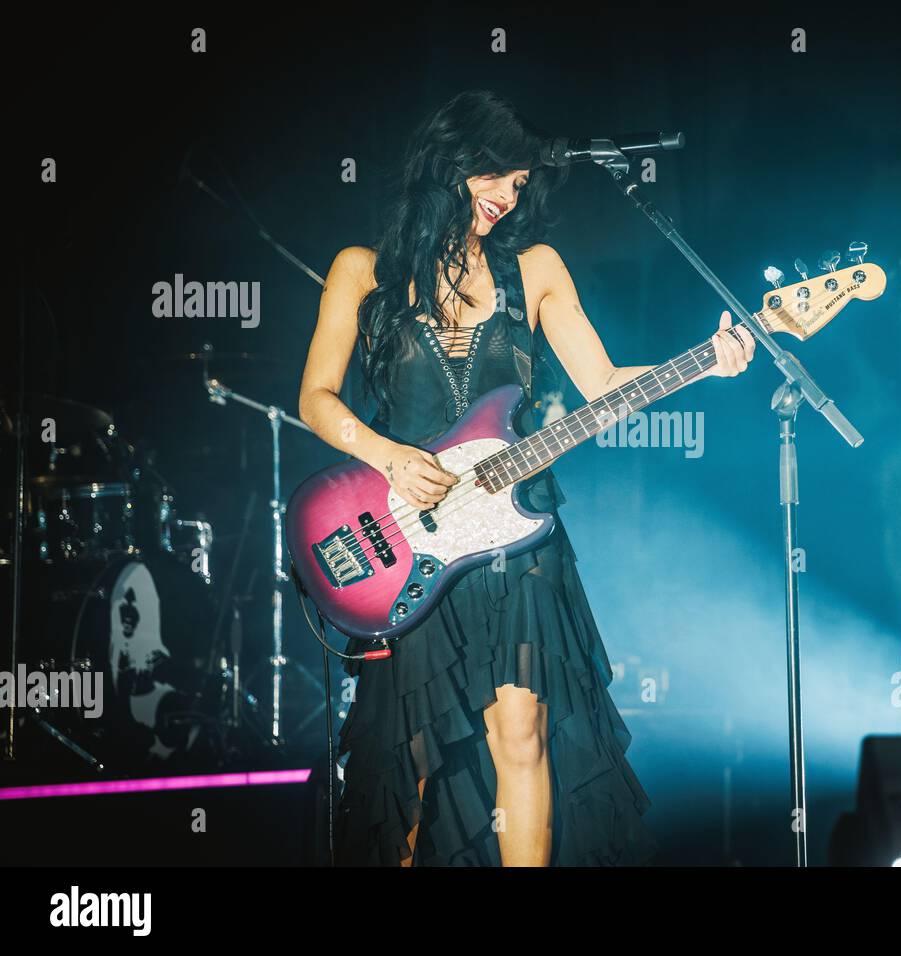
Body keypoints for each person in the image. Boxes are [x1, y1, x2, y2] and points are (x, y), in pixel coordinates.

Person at [298, 90, 754, 866]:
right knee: (406, 758)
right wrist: (389, 457)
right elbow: (315, 397)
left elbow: (604, 382)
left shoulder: (534, 269)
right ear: (449, 164)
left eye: (519, 184)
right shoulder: (361, 270)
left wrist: (710, 361)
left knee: (524, 733)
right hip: (404, 538)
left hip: (518, 543)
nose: (509, 197)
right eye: (496, 177)